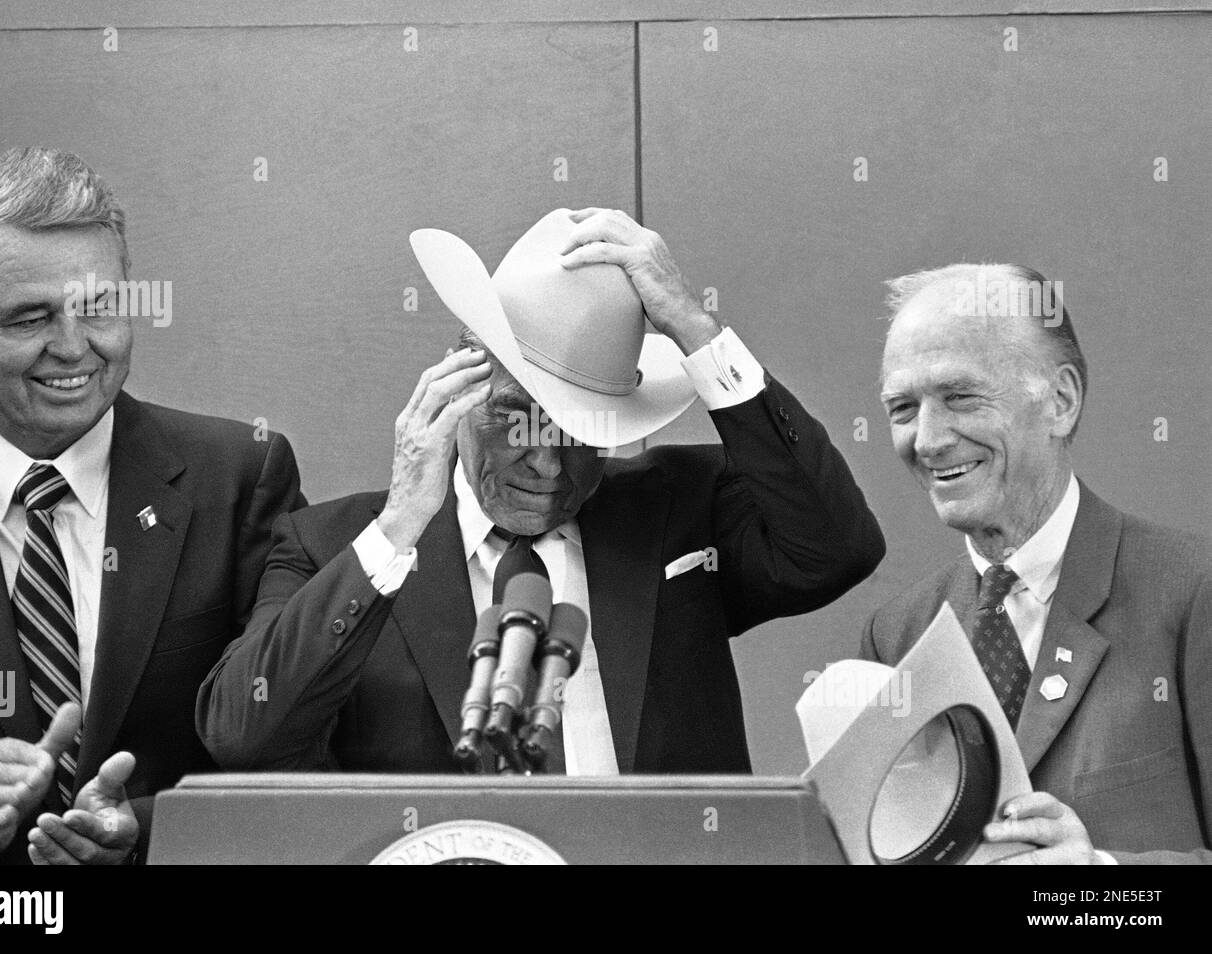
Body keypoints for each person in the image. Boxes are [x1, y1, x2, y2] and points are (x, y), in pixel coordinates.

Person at [198, 207, 884, 775]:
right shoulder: (332, 549)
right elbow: (242, 734)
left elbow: (834, 549)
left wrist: (695, 331)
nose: (550, 467)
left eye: (581, 433)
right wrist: (402, 522)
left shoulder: (679, 508)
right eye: (515, 418)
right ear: (456, 387)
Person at [0, 148, 304, 864]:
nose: (74, 348)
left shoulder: (241, 478)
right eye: (31, 317)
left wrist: (143, 832)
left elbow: (294, 753)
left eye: (98, 308)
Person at [864, 263, 1210, 864]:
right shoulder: (897, 636)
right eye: (901, 408)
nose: (926, 439)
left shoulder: (1192, 591)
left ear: (1061, 400)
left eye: (960, 397)